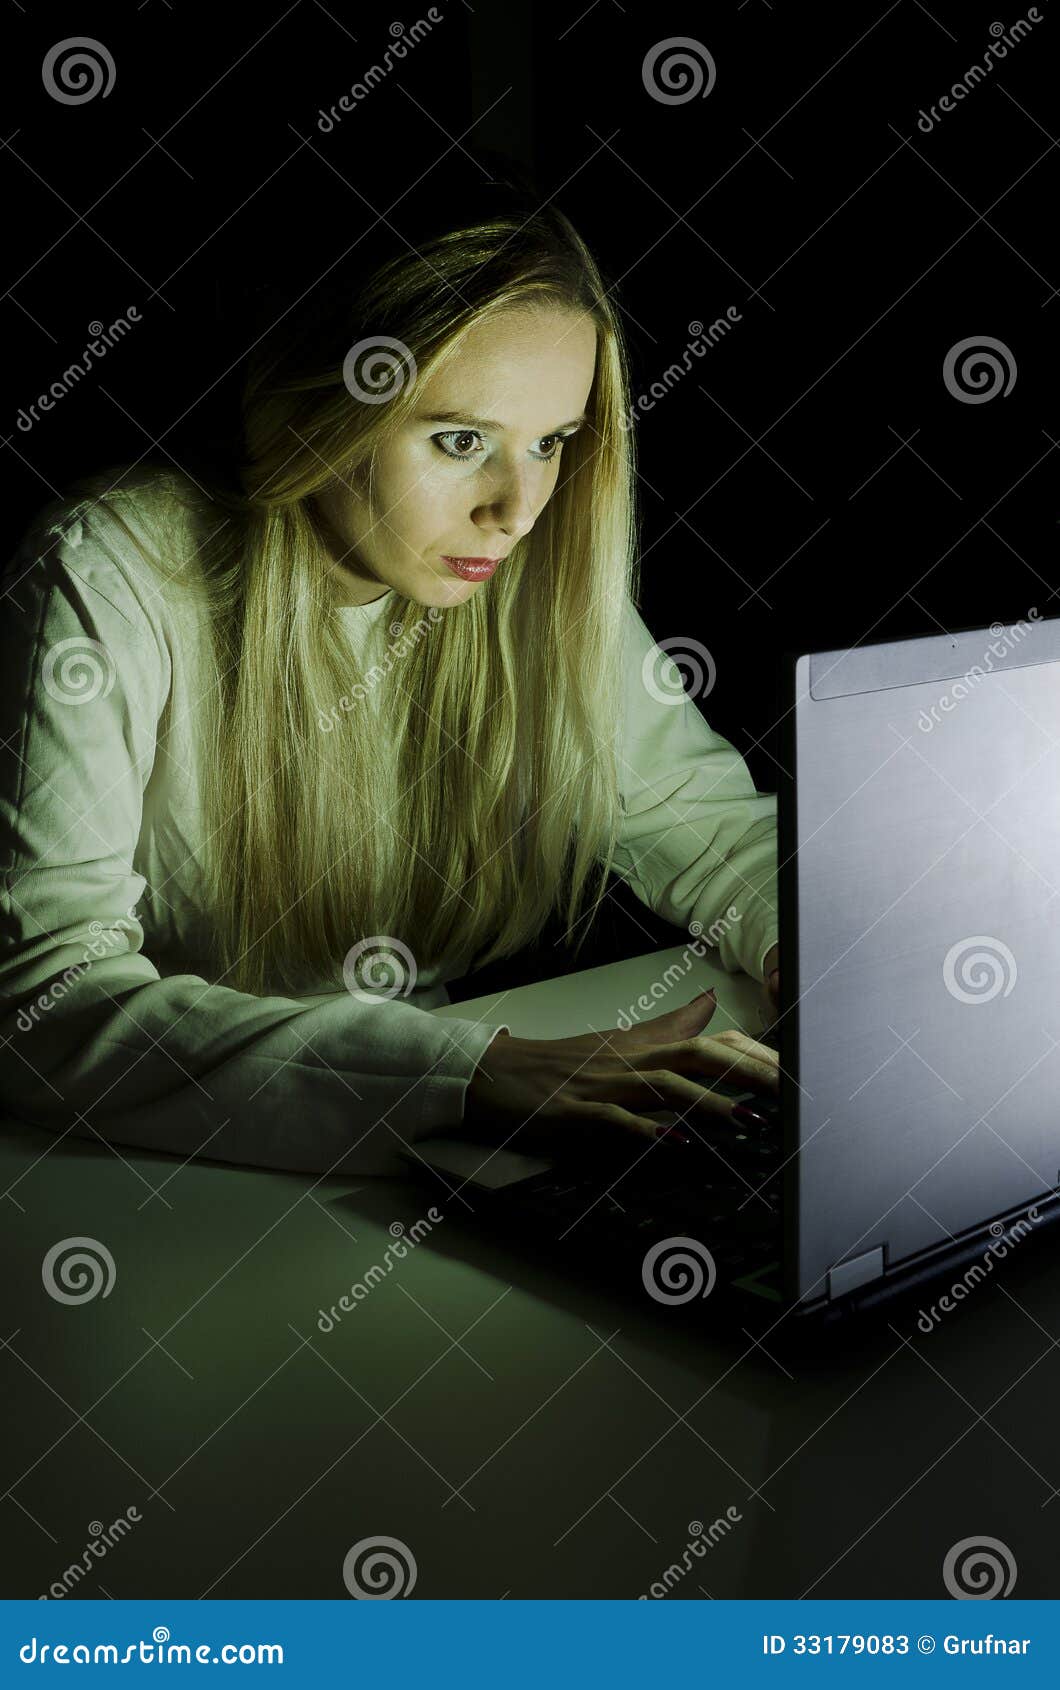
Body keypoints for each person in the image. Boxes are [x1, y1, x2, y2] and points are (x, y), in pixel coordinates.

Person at [0, 167, 779, 1180]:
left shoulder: (528, 573)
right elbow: (44, 1000)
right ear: (317, 410)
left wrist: (812, 956)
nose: (517, 506)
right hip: (139, 1168)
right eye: (461, 440)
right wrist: (456, 1070)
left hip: (431, 1151)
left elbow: (710, 828)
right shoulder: (111, 572)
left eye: (551, 442)